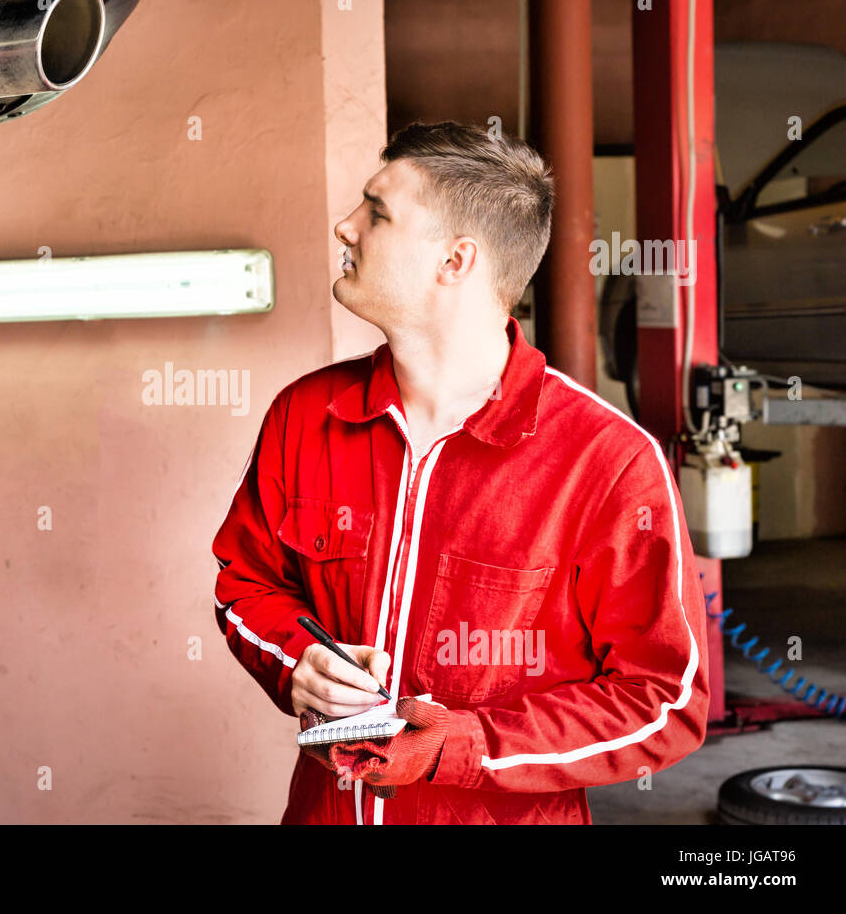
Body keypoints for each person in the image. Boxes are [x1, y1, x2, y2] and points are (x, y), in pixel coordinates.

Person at [211, 120, 709, 824]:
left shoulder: (606, 462)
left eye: (376, 212)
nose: (344, 227)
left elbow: (664, 700)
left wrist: (464, 746)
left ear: (455, 261)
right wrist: (296, 660)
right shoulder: (305, 416)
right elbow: (245, 583)